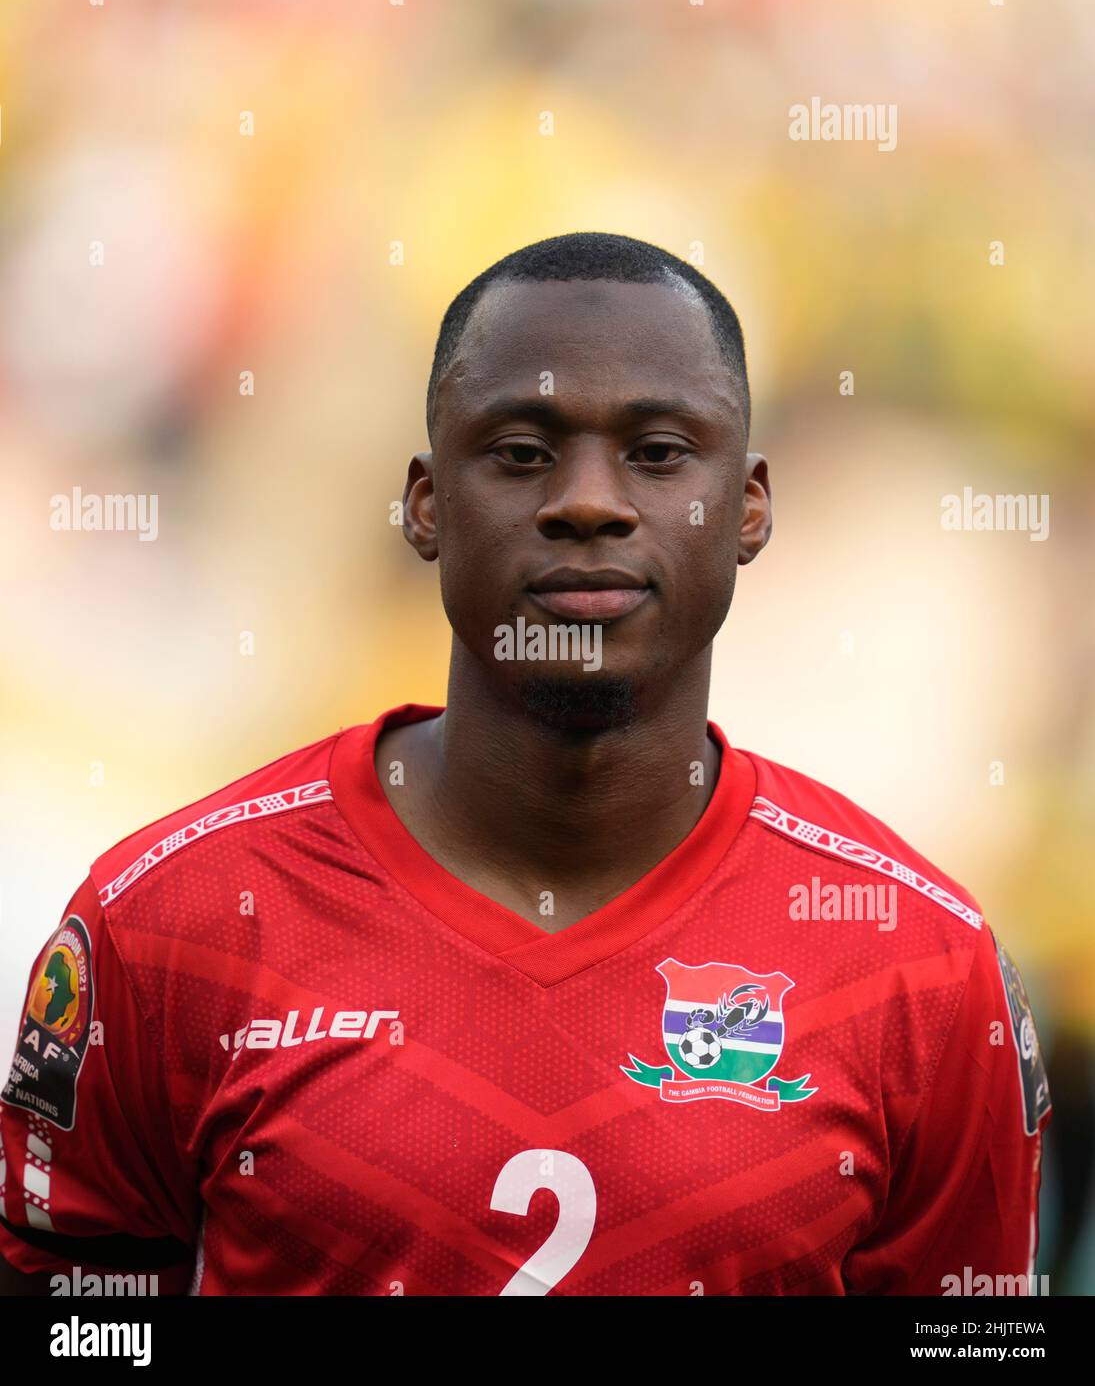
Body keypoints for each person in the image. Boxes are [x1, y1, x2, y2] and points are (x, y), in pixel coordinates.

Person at [0, 233, 1051, 1296]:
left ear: (749, 507)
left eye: (657, 451)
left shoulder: (919, 967)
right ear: (422, 503)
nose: (587, 502)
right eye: (519, 451)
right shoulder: (175, 920)